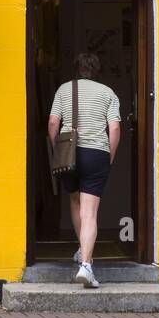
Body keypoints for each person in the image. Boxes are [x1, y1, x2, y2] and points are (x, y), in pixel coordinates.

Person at [48, 52, 121, 288]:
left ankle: (82, 250)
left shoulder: (63, 90)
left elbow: (52, 123)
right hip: (96, 153)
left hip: (68, 152)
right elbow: (115, 128)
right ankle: (87, 265)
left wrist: (57, 148)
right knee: (90, 213)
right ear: (97, 70)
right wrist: (109, 155)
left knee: (76, 202)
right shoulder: (108, 93)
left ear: (76, 69)